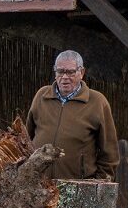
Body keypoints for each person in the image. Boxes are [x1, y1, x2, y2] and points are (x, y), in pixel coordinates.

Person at [26, 50, 119, 180]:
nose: (64, 77)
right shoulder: (42, 95)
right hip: (39, 185)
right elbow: (26, 138)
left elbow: (110, 153)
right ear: (55, 72)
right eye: (60, 71)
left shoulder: (97, 101)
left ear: (81, 73)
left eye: (70, 72)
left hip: (77, 187)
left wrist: (97, 184)